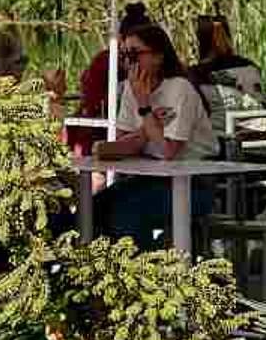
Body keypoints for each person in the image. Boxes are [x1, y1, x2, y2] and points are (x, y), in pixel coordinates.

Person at [84, 21, 209, 248]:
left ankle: (140, 268)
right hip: (148, 180)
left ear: (158, 57)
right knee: (92, 209)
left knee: (125, 215)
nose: (128, 62)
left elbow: (168, 152)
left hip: (192, 184)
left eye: (134, 54)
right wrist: (146, 130)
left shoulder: (180, 89)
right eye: (124, 55)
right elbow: (119, 146)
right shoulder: (131, 89)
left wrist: (144, 106)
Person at [67, 3, 153, 154]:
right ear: (121, 40)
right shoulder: (106, 62)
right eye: (131, 51)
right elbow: (92, 102)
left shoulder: (151, 68)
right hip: (98, 133)